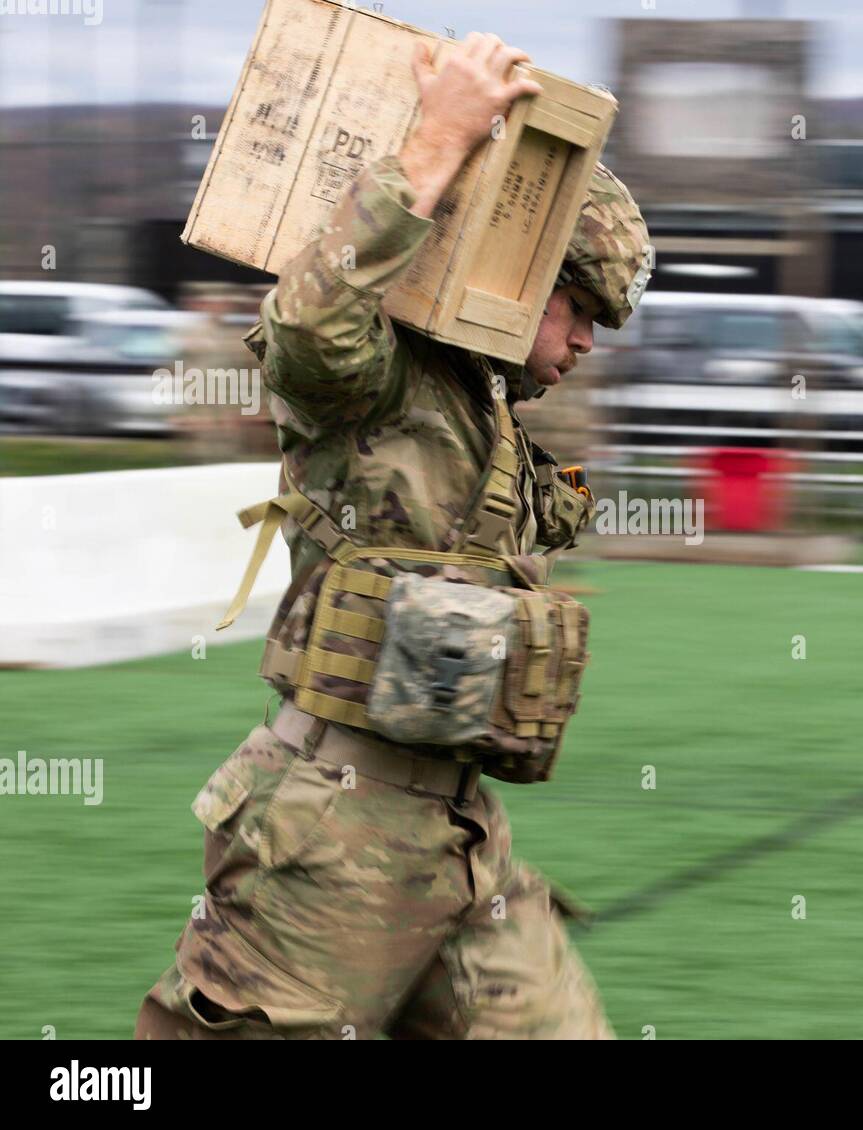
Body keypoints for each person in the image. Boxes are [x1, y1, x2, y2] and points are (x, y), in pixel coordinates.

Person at [134, 32, 650, 1040]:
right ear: (522, 267)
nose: (588, 340)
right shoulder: (375, 381)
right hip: (327, 835)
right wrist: (438, 141)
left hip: (459, 842)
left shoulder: (483, 404)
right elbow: (307, 326)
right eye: (580, 307)